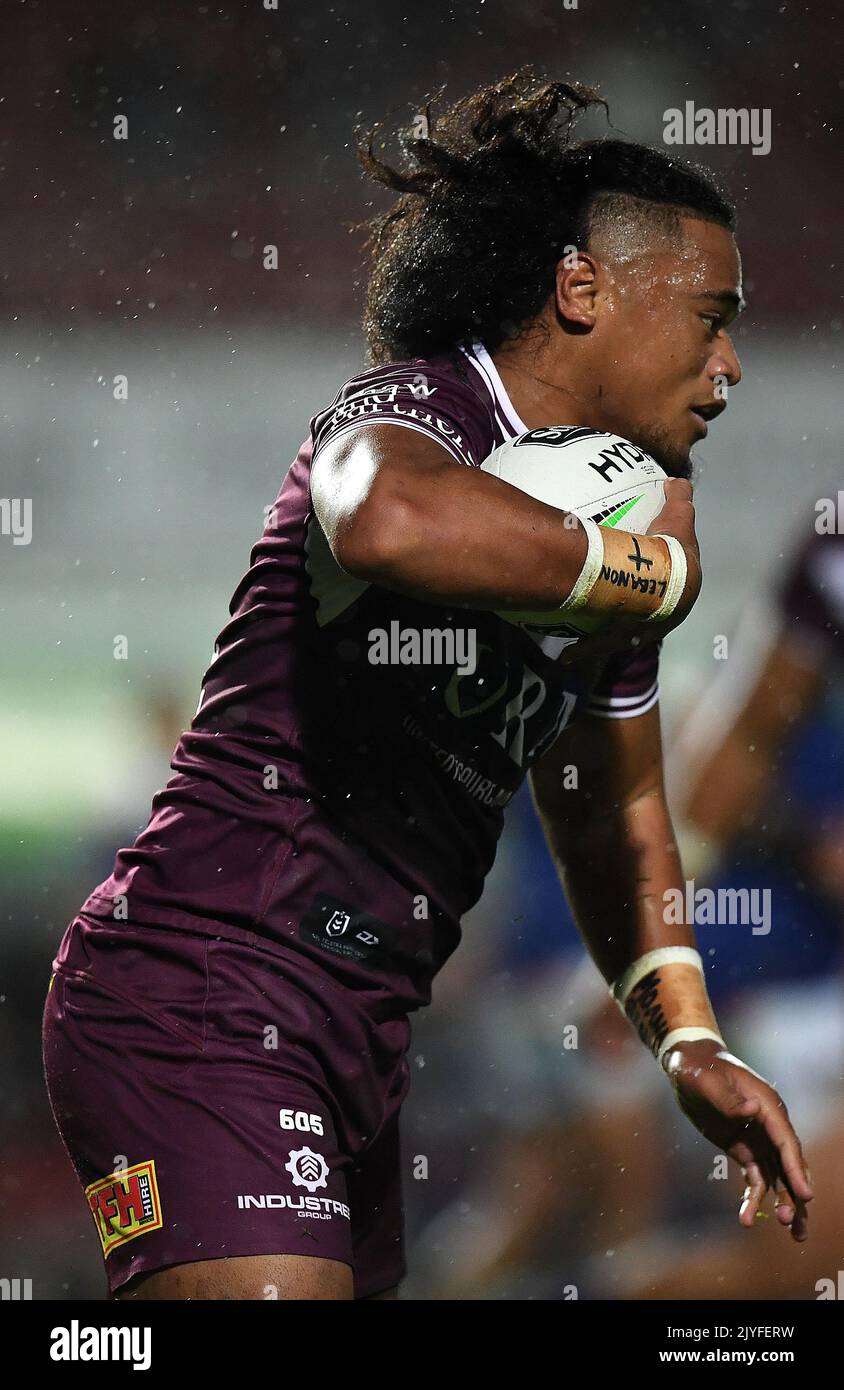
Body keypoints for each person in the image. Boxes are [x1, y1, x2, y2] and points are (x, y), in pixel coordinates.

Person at [41, 67, 812, 1302]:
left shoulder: (607, 528)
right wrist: (641, 572)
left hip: (355, 1036)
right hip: (201, 987)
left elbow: (615, 816)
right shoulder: (423, 412)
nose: (728, 366)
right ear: (582, 287)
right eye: (710, 316)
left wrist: (688, 1037)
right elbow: (387, 517)